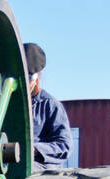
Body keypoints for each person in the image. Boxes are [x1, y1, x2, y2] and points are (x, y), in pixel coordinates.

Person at [24, 43, 73, 171]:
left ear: (37, 77)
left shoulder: (50, 105)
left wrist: (33, 149)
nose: (24, 84)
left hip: (38, 168)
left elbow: (64, 145)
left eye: (28, 79)